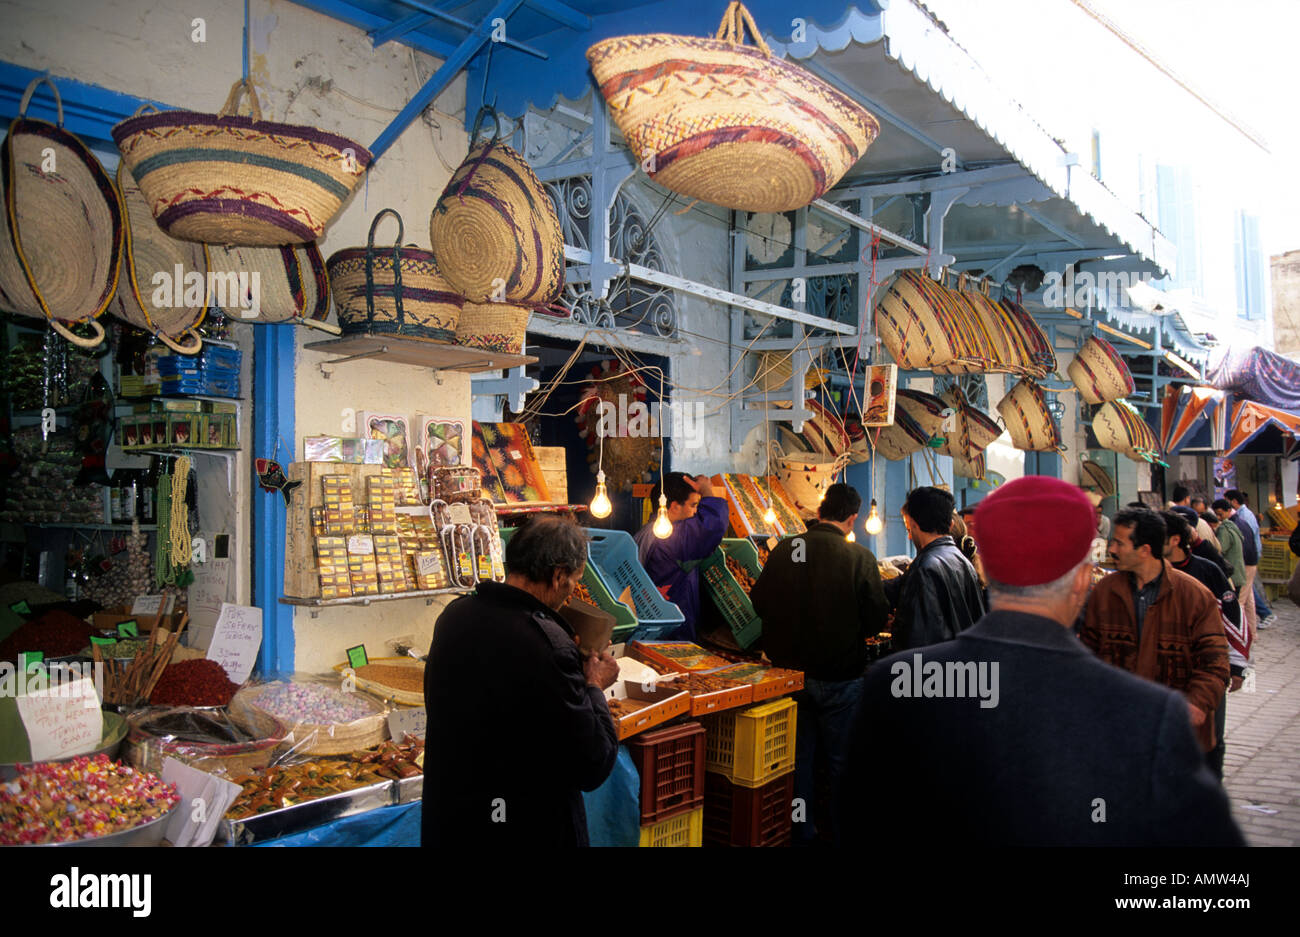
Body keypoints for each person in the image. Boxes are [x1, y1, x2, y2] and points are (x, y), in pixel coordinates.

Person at [840, 477, 1243, 846]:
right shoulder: (1152, 713)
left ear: (984, 568)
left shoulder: (893, 682)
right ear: (1084, 580)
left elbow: (857, 825)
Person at [423, 516, 619, 847]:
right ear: (558, 576)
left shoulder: (453, 617)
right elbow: (593, 763)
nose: (570, 594)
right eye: (572, 581)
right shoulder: (548, 643)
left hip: (454, 823)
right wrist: (594, 687)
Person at [750, 483, 888, 846]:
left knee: (799, 763)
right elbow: (876, 621)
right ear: (853, 518)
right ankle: (843, 834)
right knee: (843, 763)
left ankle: (802, 832)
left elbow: (759, 603)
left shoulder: (785, 550)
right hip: (842, 678)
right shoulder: (859, 558)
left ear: (821, 511)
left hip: (790, 678)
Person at [1082, 508, 1229, 755]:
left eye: (1119, 543)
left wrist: (1196, 704)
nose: (1112, 549)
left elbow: (1215, 662)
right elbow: (1088, 652)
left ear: (1145, 550)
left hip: (1176, 734)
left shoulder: (1194, 596)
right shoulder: (1104, 593)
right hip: (1119, 731)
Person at [1161, 511, 1248, 780]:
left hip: (1207, 667)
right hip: (1164, 669)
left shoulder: (1207, 571)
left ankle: (1211, 789)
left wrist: (1236, 665)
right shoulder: (1152, 572)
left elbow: (1233, 617)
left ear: (1175, 540)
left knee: (1211, 737)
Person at [886, 486, 985, 650]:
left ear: (914, 524)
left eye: (908, 529)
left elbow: (917, 638)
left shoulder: (924, 568)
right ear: (951, 524)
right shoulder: (961, 560)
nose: (909, 536)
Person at [633, 472, 728, 640]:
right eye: (693, 505)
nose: (695, 512)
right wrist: (707, 492)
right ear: (675, 506)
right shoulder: (671, 537)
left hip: (658, 626)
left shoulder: (648, 532)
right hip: (670, 632)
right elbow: (712, 527)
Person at [1225, 489, 1277, 629]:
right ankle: (1257, 622)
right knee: (1249, 593)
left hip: (1248, 558)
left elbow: (1246, 541)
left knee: (1246, 592)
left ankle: (1257, 619)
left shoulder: (1244, 516)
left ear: (1234, 502)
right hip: (1249, 557)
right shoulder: (1242, 515)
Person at [1214, 498, 1260, 640]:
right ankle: (1252, 633)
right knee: (1248, 600)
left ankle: (1240, 635)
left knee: (1238, 601)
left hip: (1242, 565)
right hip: (1249, 563)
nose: (1218, 517)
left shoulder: (1228, 526)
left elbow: (1222, 548)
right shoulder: (1239, 522)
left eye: (1220, 514)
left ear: (1228, 510)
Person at [1205, 508, 1246, 592]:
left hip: (1231, 575)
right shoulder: (1232, 526)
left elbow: (1220, 549)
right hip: (1238, 572)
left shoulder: (1223, 530)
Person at [1171, 485, 1221, 551]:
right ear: (1187, 499)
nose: (1198, 516)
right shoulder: (1201, 523)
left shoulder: (1166, 518)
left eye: (1201, 513)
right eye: (1197, 513)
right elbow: (1218, 548)